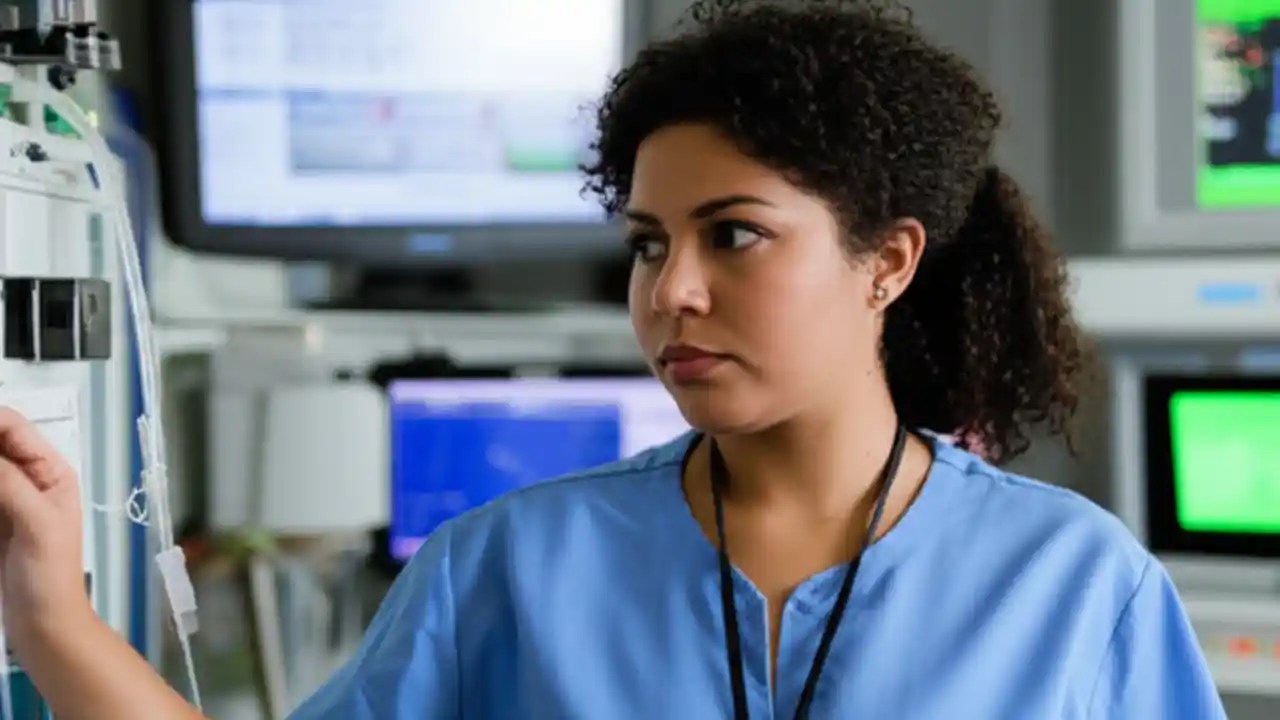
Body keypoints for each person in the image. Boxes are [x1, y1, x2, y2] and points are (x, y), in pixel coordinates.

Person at [0, 1, 1226, 718]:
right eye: (647, 243)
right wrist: (50, 610)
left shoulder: (1070, 585)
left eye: (733, 234)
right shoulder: (510, 568)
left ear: (886, 262)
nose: (671, 291)